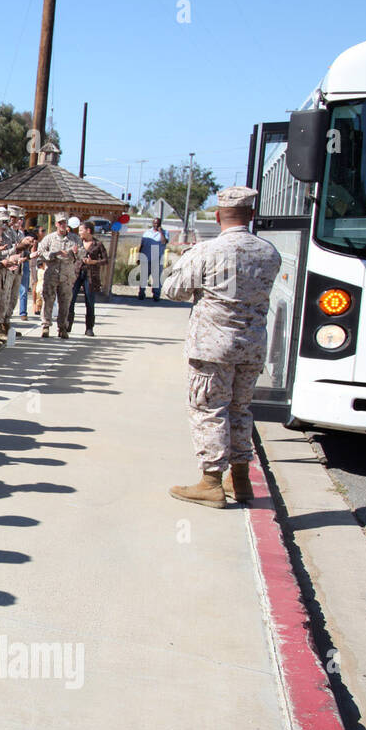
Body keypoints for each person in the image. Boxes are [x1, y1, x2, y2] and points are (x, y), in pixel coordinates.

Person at [162, 186, 281, 508]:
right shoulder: (269, 252)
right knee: (239, 409)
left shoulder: (207, 251)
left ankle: (211, 481)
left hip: (213, 347)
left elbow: (174, 291)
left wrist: (183, 262)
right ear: (251, 215)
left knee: (209, 410)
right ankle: (240, 479)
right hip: (252, 346)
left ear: (217, 216)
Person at [35, 215, 81, 338]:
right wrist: (54, 254)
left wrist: (77, 253)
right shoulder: (49, 238)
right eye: (60, 223)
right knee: (48, 300)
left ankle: (62, 328)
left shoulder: (74, 239)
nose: (62, 225)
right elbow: (40, 253)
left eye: (64, 223)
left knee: (65, 302)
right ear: (56, 224)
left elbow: (83, 254)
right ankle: (45, 326)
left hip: (67, 275)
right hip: (52, 273)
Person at [69, 222, 107, 336]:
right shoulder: (77, 243)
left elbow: (106, 260)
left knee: (90, 301)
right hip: (76, 274)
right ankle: (67, 324)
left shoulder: (98, 244)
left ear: (88, 231)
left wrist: (94, 262)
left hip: (90, 275)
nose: (79, 233)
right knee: (70, 299)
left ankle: (89, 328)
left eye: (81, 230)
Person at [138, 216, 169, 300]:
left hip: (157, 259)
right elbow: (142, 245)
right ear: (152, 223)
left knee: (156, 278)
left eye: (158, 223)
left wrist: (160, 232)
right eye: (155, 223)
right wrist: (139, 256)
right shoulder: (147, 233)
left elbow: (164, 241)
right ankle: (141, 293)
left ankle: (156, 295)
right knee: (144, 277)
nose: (156, 224)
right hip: (146, 257)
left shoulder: (165, 233)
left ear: (160, 224)